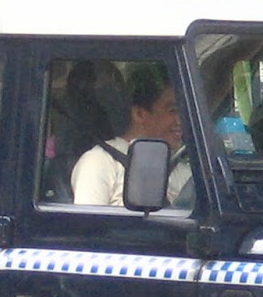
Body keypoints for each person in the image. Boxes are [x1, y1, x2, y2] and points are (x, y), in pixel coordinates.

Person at [71, 65, 185, 206]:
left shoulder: (184, 170)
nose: (181, 121)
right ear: (139, 114)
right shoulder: (100, 161)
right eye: (172, 110)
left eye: (183, 111)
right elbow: (87, 224)